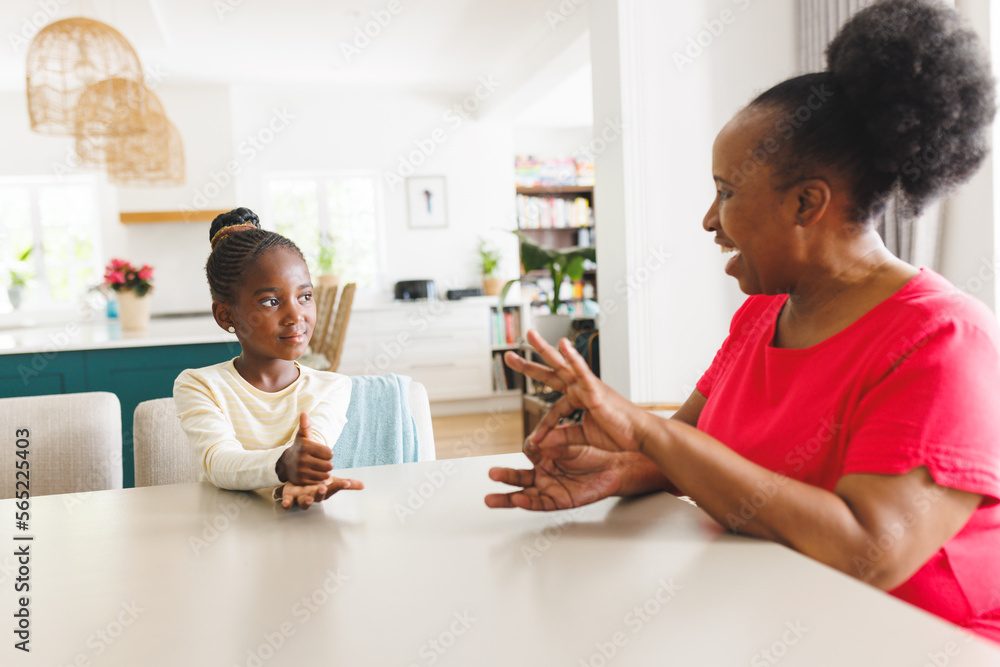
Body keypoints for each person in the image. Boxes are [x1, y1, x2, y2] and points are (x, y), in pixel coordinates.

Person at [486, 0, 1000, 643]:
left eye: (727, 192)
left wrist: (649, 434)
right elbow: (686, 456)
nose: (709, 219)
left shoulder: (945, 339)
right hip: (775, 623)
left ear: (807, 203)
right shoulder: (762, 316)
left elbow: (870, 550)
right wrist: (615, 467)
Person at [174, 208, 364, 509]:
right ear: (226, 315)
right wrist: (283, 466)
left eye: (305, 296)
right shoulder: (199, 385)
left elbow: (308, 452)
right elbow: (218, 462)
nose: (295, 316)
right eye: (271, 301)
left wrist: (301, 474)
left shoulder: (334, 387)